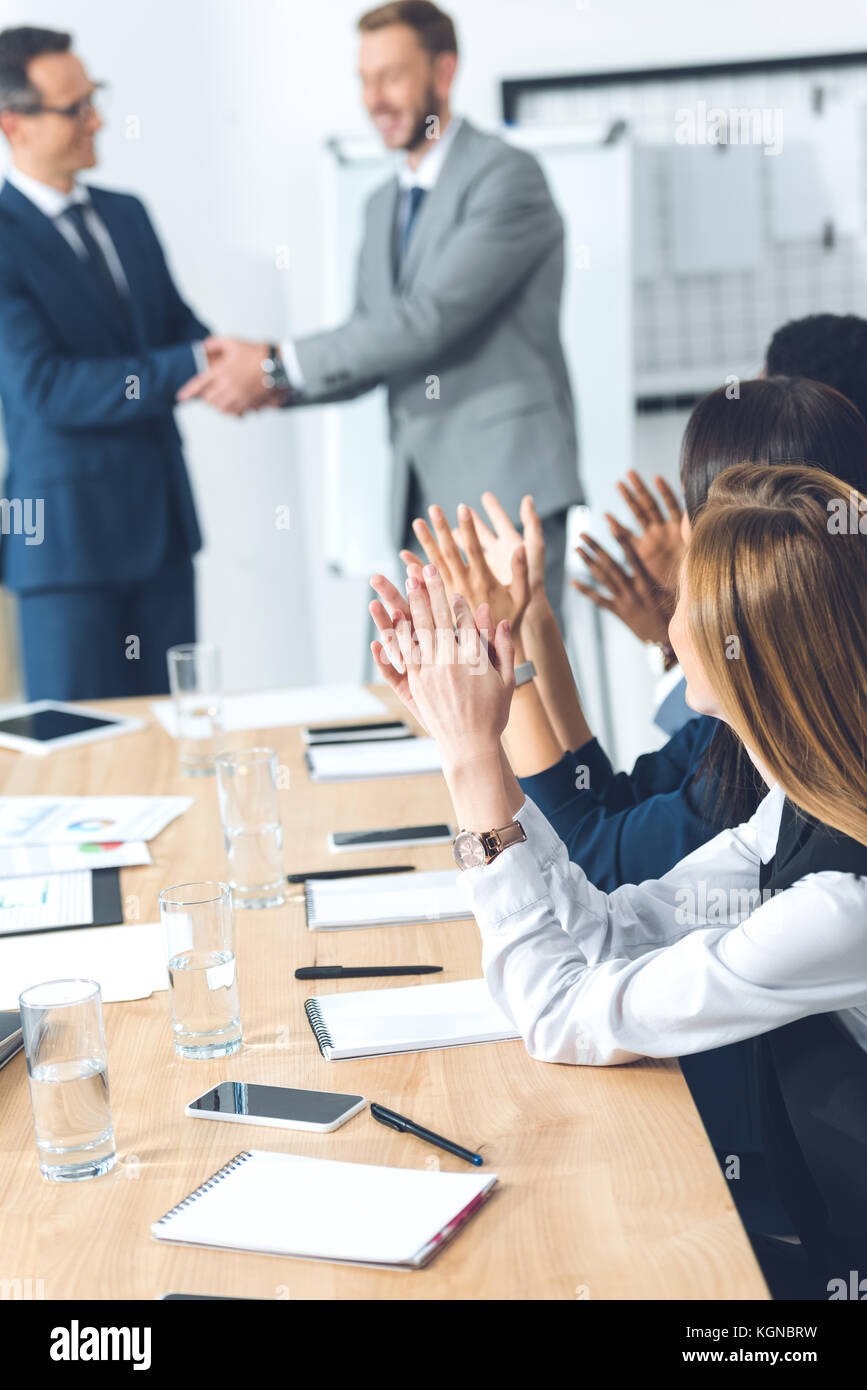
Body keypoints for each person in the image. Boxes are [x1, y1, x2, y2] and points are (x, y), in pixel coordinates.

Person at [370, 463, 867, 1296]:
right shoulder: (798, 801)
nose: (665, 625)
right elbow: (608, 928)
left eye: (686, 602)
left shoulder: (838, 905)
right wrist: (478, 745)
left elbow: (562, 1015)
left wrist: (470, 762)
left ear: (748, 654)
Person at [179, 1, 582, 627]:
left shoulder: (508, 178)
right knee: (454, 706)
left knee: (527, 701)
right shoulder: (378, 206)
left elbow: (428, 320)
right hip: (425, 504)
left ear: (443, 73)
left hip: (505, 492)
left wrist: (277, 362)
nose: (375, 98)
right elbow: (375, 347)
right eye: (365, 79)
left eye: (392, 75)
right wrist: (271, 385)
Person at [0, 26, 210, 700]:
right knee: (80, 765)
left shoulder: (128, 215)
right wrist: (194, 362)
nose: (98, 119)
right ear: (13, 125)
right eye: (75, 109)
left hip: (162, 532)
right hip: (65, 550)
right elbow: (48, 389)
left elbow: (181, 331)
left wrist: (247, 366)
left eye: (95, 98)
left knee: (180, 742)